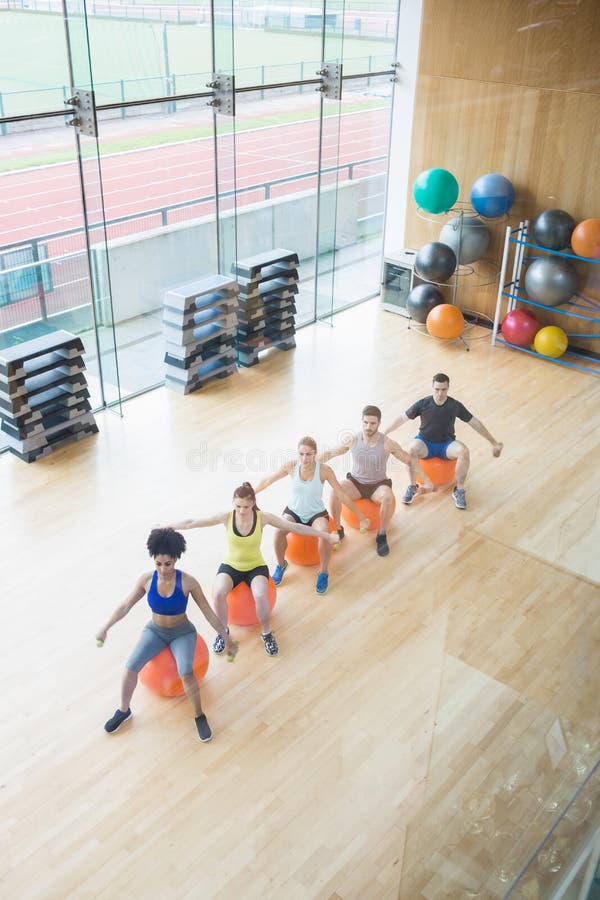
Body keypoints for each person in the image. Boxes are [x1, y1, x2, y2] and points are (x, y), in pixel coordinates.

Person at [96, 527, 237, 743]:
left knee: (186, 673)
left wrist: (226, 637)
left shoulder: (189, 582)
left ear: (176, 560)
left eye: (168, 564)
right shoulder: (146, 580)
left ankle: (199, 715)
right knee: (129, 668)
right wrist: (106, 627)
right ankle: (124, 710)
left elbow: (208, 612)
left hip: (182, 633)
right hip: (155, 631)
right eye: (158, 564)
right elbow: (125, 605)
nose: (163, 569)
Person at [168, 482, 340, 656]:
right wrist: (168, 526)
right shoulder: (226, 517)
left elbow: (294, 527)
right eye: (238, 506)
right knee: (219, 593)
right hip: (231, 565)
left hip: (255, 567)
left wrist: (326, 535)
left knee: (259, 595)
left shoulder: (262, 517)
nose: (242, 511)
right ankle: (223, 632)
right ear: (233, 503)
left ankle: (266, 633)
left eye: (246, 506)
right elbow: (194, 522)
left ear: (253, 503)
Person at [253, 435, 370, 595]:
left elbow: (341, 495)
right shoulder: (291, 467)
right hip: (294, 512)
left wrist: (361, 516)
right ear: (297, 453)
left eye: (308, 454)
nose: (304, 458)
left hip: (316, 514)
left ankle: (323, 572)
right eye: (301, 454)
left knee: (324, 534)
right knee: (279, 531)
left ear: (315, 454)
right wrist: (251, 493)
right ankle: (281, 565)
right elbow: (268, 480)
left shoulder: (324, 470)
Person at [385, 372, 503, 510]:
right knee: (411, 449)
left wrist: (493, 442)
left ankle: (459, 490)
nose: (440, 393)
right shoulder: (423, 403)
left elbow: (475, 423)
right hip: (425, 443)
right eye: (437, 389)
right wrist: (384, 433)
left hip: (446, 445)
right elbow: (401, 418)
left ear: (448, 388)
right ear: (432, 387)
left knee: (464, 451)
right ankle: (412, 486)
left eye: (443, 390)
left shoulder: (454, 405)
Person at [319, 405, 410, 558]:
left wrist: (416, 459)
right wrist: (312, 462)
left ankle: (381, 535)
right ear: (362, 422)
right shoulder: (353, 439)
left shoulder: (387, 443)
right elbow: (332, 452)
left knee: (387, 497)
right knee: (335, 491)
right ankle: (338, 529)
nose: (368, 427)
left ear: (379, 423)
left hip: (378, 485)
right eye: (365, 423)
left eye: (373, 423)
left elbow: (407, 459)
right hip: (356, 483)